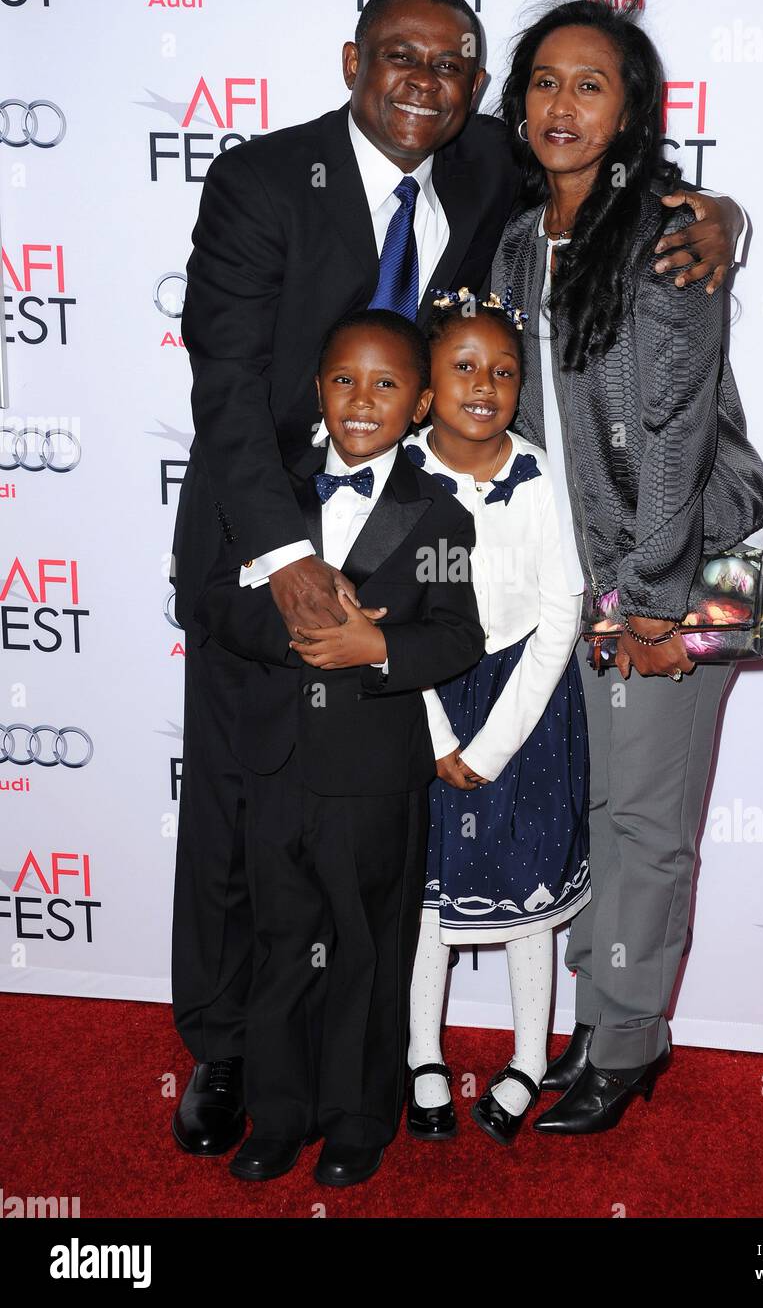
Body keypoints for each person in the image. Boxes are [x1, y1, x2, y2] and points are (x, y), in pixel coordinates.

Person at [169, 0, 747, 1156]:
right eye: (402, 59)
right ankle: (228, 1049)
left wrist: (728, 215)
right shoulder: (305, 180)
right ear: (352, 62)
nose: (428, 85)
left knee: (597, 811)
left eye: (456, 67)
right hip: (288, 550)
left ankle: (603, 1038)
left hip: (638, 569)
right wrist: (283, 553)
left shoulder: (568, 197)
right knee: (245, 812)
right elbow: (224, 385)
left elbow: (680, 413)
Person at [489, 0, 763, 1135]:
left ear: (629, 112)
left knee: (647, 818)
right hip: (596, 569)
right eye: (545, 83)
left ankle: (622, 1042)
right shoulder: (519, 240)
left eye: (588, 84)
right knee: (608, 805)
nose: (562, 105)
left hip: (688, 563)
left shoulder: (668, 234)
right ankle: (608, 1021)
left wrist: (652, 606)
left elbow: (673, 435)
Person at [189, 310, 485, 1186]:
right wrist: (293, 632)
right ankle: (278, 1116)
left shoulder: (439, 519)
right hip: (275, 763)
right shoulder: (267, 498)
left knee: (365, 945)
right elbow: (209, 599)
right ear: (318, 388)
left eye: (387, 384)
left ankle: (360, 1119)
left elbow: (459, 637)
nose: (363, 401)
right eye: (345, 381)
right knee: (283, 943)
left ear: (423, 402)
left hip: (373, 776)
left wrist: (379, 651)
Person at [403, 290, 590, 1147]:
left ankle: (525, 1059)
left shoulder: (544, 472)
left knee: (525, 892)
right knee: (427, 898)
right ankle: (421, 1056)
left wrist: (492, 743)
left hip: (528, 707)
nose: (484, 385)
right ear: (425, 383)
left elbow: (563, 612)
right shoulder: (396, 472)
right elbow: (382, 618)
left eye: (504, 370)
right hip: (419, 699)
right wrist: (442, 738)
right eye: (464, 367)